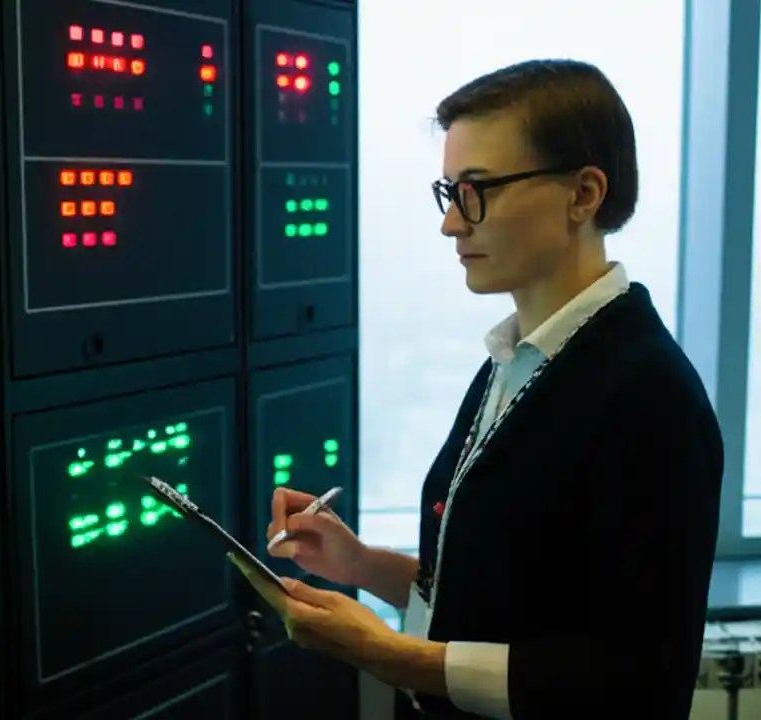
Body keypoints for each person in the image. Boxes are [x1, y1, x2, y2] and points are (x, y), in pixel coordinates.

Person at [230, 58, 724, 719]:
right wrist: (363, 564)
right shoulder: (517, 359)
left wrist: (387, 654)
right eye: (450, 192)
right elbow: (503, 595)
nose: (452, 223)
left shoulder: (649, 396)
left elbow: (633, 678)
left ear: (583, 194)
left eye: (478, 190)